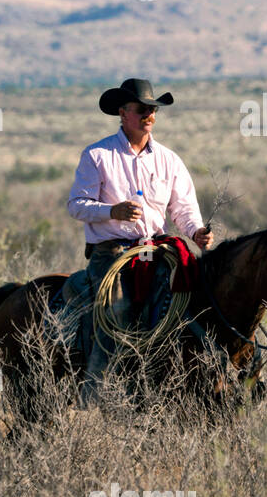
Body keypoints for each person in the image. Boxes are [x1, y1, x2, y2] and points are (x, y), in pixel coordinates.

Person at [60, 78, 214, 405]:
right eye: (142, 109)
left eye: (153, 109)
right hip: (111, 252)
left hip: (157, 249)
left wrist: (197, 231)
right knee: (114, 312)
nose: (149, 115)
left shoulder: (169, 160)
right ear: (122, 112)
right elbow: (76, 205)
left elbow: (183, 208)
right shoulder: (97, 155)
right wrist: (112, 211)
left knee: (192, 300)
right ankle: (94, 396)